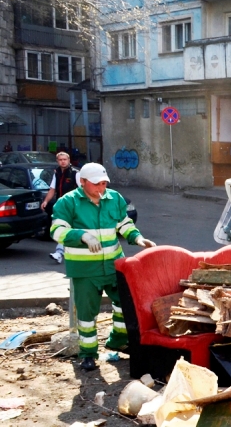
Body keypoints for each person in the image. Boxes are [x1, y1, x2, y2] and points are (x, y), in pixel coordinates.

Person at [50, 163, 156, 371]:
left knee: (125, 305)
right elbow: (56, 230)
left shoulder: (114, 198)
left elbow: (123, 224)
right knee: (87, 314)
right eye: (97, 184)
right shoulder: (68, 202)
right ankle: (88, 354)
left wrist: (138, 238)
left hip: (114, 265)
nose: (101, 188)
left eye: (104, 183)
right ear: (83, 182)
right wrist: (81, 236)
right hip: (84, 270)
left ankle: (117, 341)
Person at [42, 152, 81, 263]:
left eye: (65, 159)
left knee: (65, 228)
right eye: (60, 159)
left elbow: (83, 190)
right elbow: (52, 189)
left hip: (73, 206)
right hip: (61, 206)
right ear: (57, 161)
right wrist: (46, 201)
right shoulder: (57, 173)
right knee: (64, 228)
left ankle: (60, 252)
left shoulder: (75, 173)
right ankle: (61, 252)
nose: (63, 161)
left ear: (69, 160)